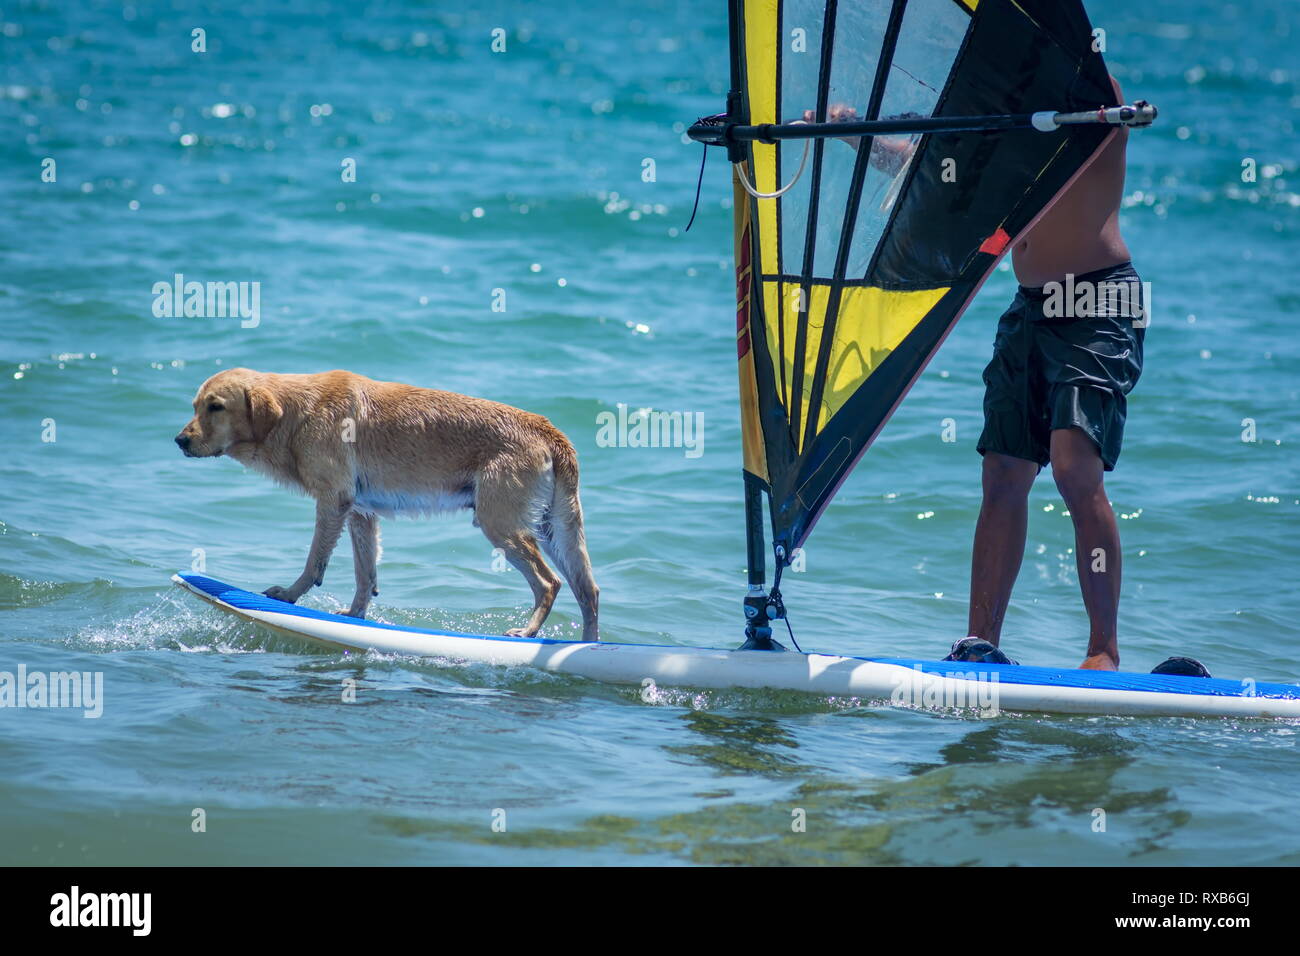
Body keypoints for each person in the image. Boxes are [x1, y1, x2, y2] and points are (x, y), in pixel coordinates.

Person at [818, 84, 1199, 675]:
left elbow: (1104, 120)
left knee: (1076, 470)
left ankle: (1103, 651)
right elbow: (939, 170)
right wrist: (853, 136)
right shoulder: (1011, 117)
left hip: (1098, 301)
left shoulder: (1088, 97)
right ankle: (980, 643)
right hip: (1030, 306)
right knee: (1002, 472)